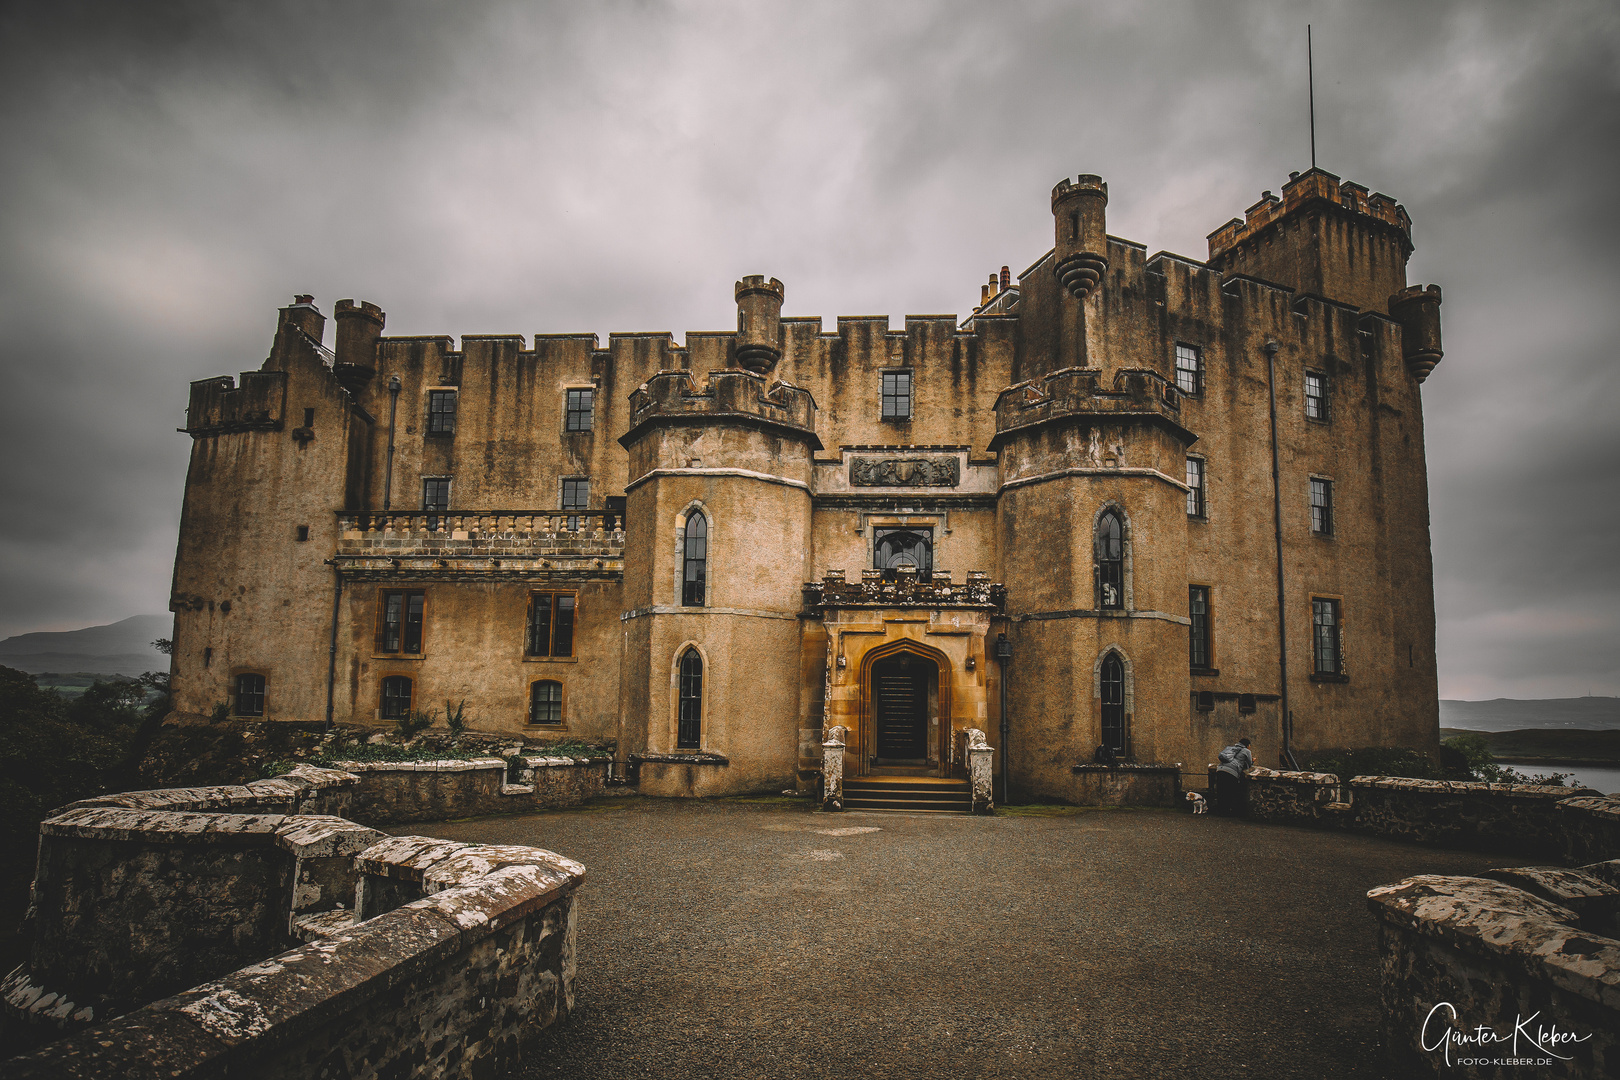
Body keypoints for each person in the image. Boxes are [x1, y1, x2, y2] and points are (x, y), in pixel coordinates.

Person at [1214, 737, 1253, 816]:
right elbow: (1249, 764)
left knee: (1221, 791)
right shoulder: (1247, 751)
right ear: (1248, 745)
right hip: (1231, 772)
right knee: (1230, 791)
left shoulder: (1231, 748)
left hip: (1220, 769)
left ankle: (1220, 811)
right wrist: (1253, 761)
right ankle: (1228, 812)